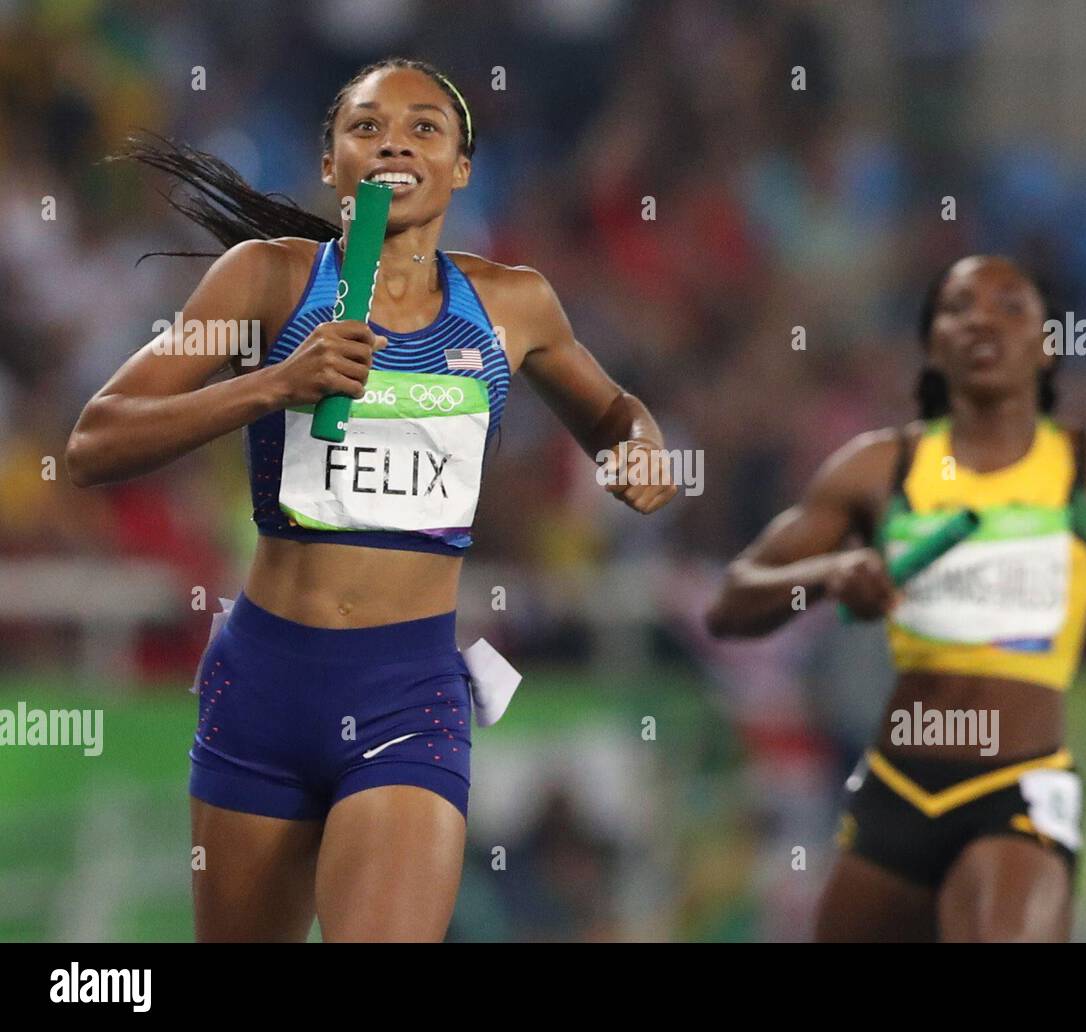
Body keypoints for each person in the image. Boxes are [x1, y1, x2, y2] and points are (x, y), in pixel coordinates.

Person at [65, 58, 677, 942]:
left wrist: (640, 449)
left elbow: (616, 414)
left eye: (425, 127)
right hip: (261, 689)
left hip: (407, 693)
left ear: (462, 167)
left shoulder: (514, 305)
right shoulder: (265, 281)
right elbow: (96, 440)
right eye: (367, 126)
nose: (394, 140)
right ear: (330, 162)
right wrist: (275, 384)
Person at [705, 254, 1086, 942]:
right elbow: (733, 602)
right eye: (960, 307)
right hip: (898, 784)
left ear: (1047, 344)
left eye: (1010, 307)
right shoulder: (878, 467)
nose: (983, 320)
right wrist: (828, 576)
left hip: (1017, 790)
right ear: (931, 345)